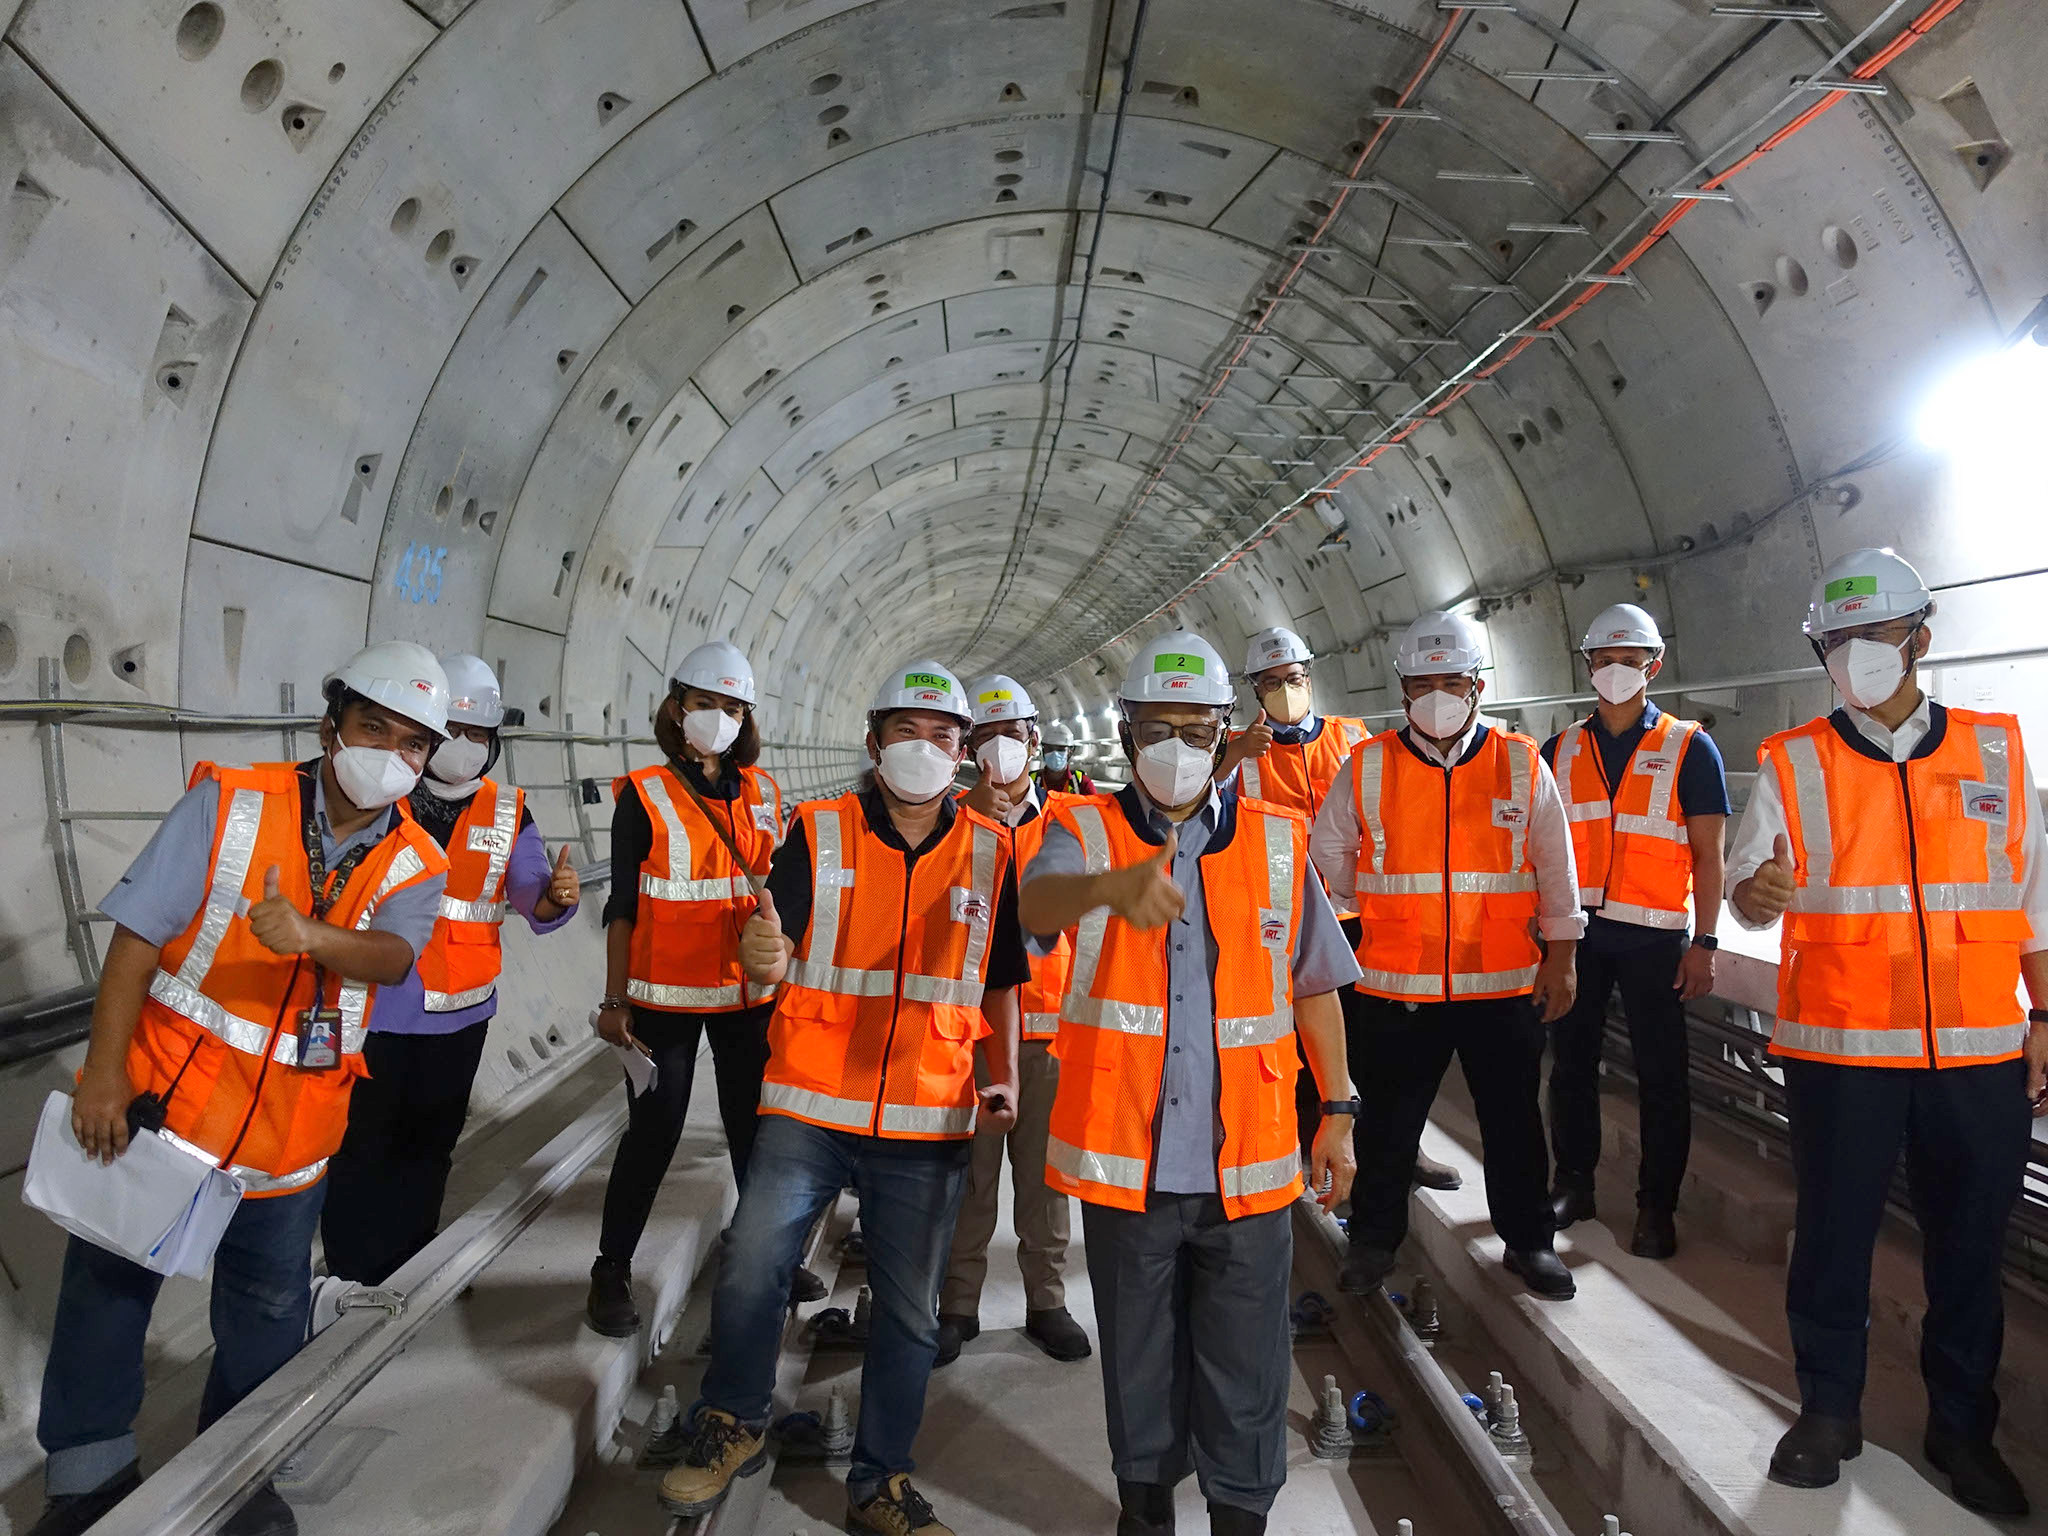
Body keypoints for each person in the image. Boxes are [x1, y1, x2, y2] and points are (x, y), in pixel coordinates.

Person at [28, 642, 453, 1536]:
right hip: (169, 1108)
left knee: (265, 1319)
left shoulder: (418, 859)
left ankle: (239, 1469)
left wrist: (312, 935)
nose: (391, 755)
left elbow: (395, 956)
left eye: (415, 744)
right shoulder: (231, 800)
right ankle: (85, 1479)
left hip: (291, 1134)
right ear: (330, 723)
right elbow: (137, 940)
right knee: (108, 1294)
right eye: (375, 727)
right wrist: (101, 1075)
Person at [656, 661, 1026, 1536]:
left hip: (928, 1111)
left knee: (907, 1308)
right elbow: (772, 943)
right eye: (907, 732)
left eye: (943, 738)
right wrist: (762, 957)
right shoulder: (816, 832)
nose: (925, 750)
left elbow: (1002, 980)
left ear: (964, 755)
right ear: (873, 742)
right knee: (752, 1263)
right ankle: (733, 1419)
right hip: (810, 1099)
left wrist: (999, 1073)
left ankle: (881, 1480)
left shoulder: (988, 849)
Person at [1018, 631, 1362, 1536]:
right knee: (1138, 1357)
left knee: (1248, 1363)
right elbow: (1037, 912)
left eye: (1200, 730)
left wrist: (1337, 1111)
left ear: (1226, 736)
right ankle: (1145, 1510)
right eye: (1160, 727)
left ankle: (1239, 1516)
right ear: (1126, 733)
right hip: (1127, 1163)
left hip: (1247, 1166)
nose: (1180, 747)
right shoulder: (1078, 830)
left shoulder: (1280, 845)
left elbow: (1315, 985)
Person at [1728, 548, 2048, 1515]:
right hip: (1843, 1051)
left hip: (1976, 1051)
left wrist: (2047, 1015)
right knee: (1832, 1235)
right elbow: (1746, 894)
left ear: (1921, 636)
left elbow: (2033, 899)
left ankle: (1961, 1427)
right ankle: (1829, 1412)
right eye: (1837, 642)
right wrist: (1757, 893)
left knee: (1968, 1246)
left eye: (1873, 636)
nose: (1856, 656)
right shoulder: (1795, 761)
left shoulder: (1996, 748)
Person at [1310, 611, 1583, 1300]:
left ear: (1478, 687)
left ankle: (1527, 1243)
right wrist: (1373, 901)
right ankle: (1373, 1242)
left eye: (1451, 681)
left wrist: (1563, 954)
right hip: (1396, 985)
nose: (1437, 695)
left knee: (1514, 1124)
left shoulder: (1520, 762)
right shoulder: (1368, 765)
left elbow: (1555, 864)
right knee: (1389, 1128)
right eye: (1423, 683)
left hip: (1501, 983)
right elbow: (1328, 854)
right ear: (1402, 691)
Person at [321, 654, 581, 1286]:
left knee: (427, 1149)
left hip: (457, 1016)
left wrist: (556, 896)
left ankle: (408, 1268)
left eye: (480, 735)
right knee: (357, 1150)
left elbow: (530, 891)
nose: (466, 747)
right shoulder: (379, 792)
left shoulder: (506, 810)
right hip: (371, 1009)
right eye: (454, 731)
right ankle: (350, 1277)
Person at [584, 641, 815, 1335]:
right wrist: (615, 1000)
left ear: (747, 717)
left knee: (757, 1134)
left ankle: (761, 1257)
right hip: (666, 998)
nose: (718, 717)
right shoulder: (644, 795)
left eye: (732, 707)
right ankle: (611, 1271)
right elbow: (622, 906)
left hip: (747, 997)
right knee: (655, 1131)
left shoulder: (768, 793)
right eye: (705, 703)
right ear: (677, 706)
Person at [1214, 626, 1459, 1194]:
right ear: (1254, 689)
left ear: (1310, 677)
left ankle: (1399, 1149)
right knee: (1300, 1048)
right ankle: (1310, 1153)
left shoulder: (1353, 738)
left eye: (1292, 679)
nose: (1284, 691)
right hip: (1281, 924)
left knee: (1379, 1046)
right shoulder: (1239, 753)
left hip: (1359, 918)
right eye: (1271, 683)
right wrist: (1229, 760)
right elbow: (1197, 812)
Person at [1541, 605, 1728, 1260]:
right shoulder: (1560, 748)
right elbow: (1535, 849)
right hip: (1579, 935)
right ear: (1588, 666)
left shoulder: (1688, 746)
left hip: (1655, 937)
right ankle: (1573, 1184)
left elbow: (1710, 855)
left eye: (1629, 660)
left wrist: (1705, 943)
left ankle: (1656, 1208)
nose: (1616, 672)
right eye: (1604, 660)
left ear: (1654, 665)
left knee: (1662, 1077)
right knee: (1571, 1065)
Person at [935, 674, 1090, 1367]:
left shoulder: (1072, 823)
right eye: (988, 736)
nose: (1003, 748)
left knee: (1045, 1181)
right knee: (969, 1180)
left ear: (1035, 740)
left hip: (1051, 1036)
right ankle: (957, 1304)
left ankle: (1047, 1302)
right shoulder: (945, 823)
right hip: (970, 1037)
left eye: (1014, 734)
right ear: (970, 747)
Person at [1036, 721, 1097, 796]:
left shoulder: (1082, 783)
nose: (1055, 753)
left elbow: (1094, 805)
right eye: (1050, 748)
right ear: (1043, 750)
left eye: (1060, 749)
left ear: (1070, 751)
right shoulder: (1031, 781)